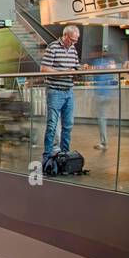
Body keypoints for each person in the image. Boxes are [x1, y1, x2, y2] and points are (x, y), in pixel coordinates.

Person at [40, 24, 81, 161]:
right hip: (55, 91)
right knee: (52, 125)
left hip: (69, 91)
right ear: (64, 36)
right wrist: (63, 72)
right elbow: (44, 69)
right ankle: (47, 156)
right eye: (72, 40)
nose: (74, 43)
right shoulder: (52, 47)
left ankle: (65, 156)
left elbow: (76, 67)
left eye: (76, 40)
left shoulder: (73, 49)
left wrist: (77, 71)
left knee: (68, 125)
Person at [91, 54, 117, 150]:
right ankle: (104, 141)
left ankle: (104, 142)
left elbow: (97, 78)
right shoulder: (110, 61)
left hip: (101, 94)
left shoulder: (98, 62)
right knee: (102, 117)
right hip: (107, 93)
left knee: (101, 118)